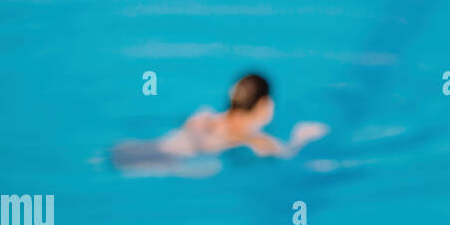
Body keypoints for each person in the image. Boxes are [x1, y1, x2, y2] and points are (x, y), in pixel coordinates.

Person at [111, 73, 328, 174]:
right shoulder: (254, 138)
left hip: (159, 144)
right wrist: (304, 135)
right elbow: (288, 155)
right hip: (178, 159)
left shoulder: (206, 115)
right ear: (264, 104)